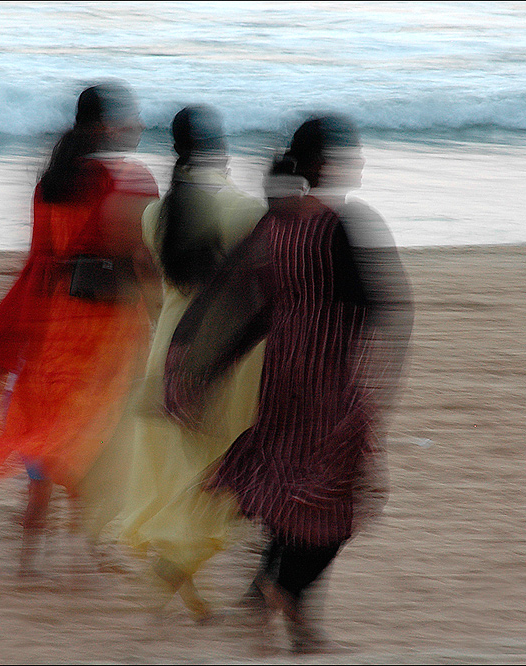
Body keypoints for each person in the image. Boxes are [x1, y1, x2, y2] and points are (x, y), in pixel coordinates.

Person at [163, 114, 412, 652]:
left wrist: (210, 367)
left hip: (282, 381)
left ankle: (277, 610)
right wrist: (379, 382)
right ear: (324, 162)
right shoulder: (339, 225)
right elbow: (387, 306)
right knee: (338, 504)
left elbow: (244, 303)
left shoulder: (277, 225)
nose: (355, 161)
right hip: (328, 384)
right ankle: (284, 594)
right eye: (348, 152)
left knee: (290, 497)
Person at [0, 82, 160, 576]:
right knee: (93, 432)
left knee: (48, 429)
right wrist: (159, 315)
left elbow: (38, 262)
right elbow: (137, 257)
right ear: (107, 125)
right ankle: (85, 558)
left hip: (57, 320)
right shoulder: (121, 180)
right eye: (129, 117)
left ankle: (28, 563)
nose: (137, 125)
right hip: (106, 325)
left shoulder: (51, 182)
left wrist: (7, 330)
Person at [84, 105, 266, 620]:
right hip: (224, 351)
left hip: (169, 346)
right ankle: (176, 573)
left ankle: (192, 597)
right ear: (220, 148)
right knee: (220, 470)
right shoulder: (244, 209)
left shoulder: (155, 213)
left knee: (174, 469)